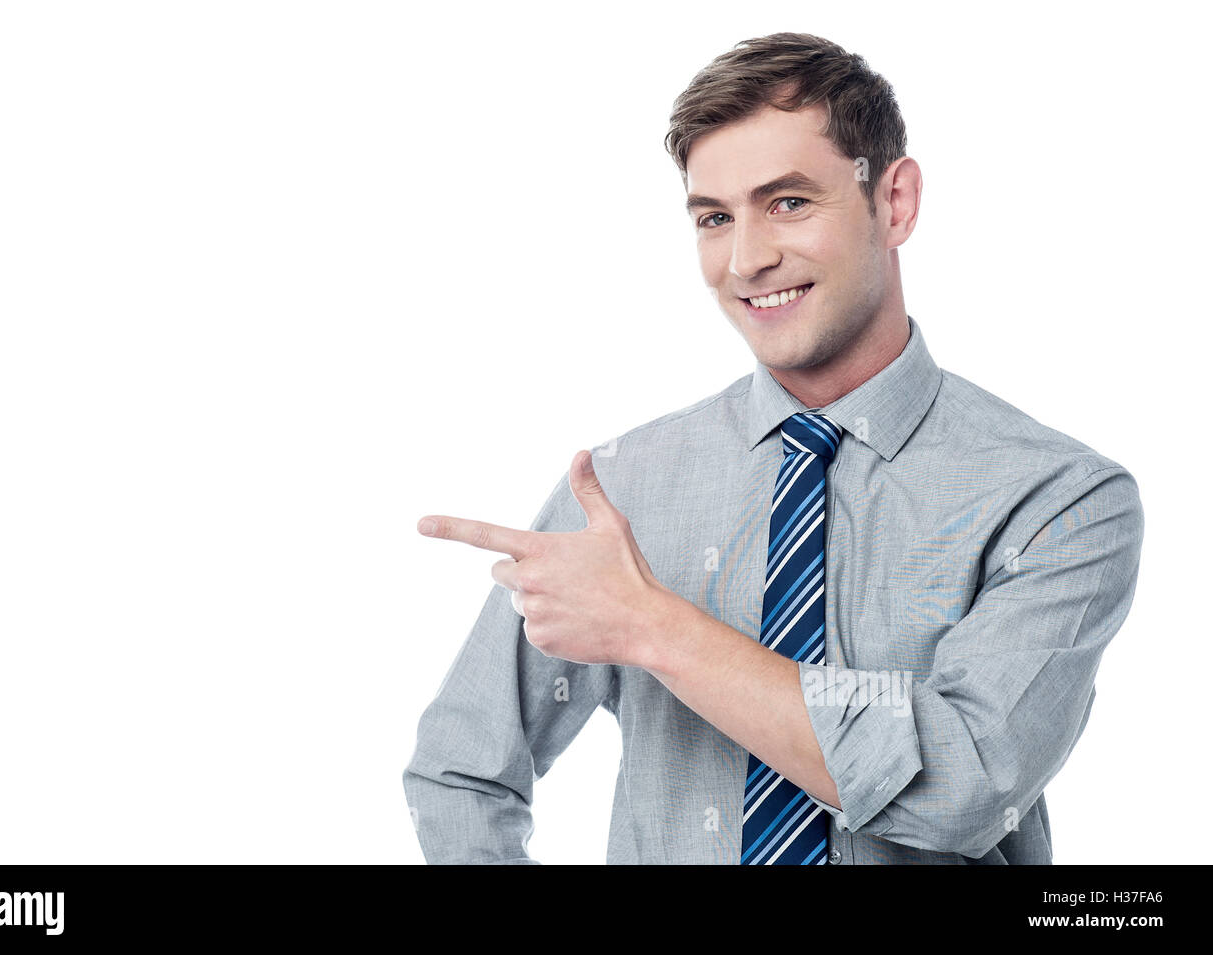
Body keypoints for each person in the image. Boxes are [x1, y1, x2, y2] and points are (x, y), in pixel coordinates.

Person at [401, 31, 1144, 864]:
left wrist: (656, 628)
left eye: (788, 202)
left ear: (893, 202)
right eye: (715, 218)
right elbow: (462, 771)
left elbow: (964, 785)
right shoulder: (620, 490)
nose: (747, 260)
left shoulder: (1058, 499)